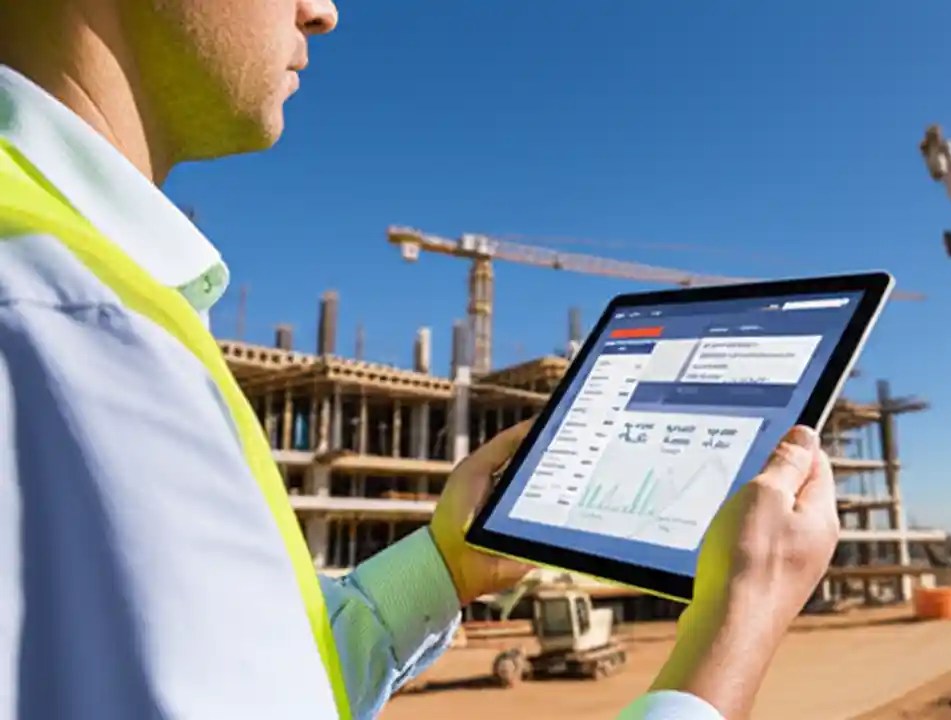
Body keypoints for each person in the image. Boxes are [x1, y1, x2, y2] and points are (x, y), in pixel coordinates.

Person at [0, 2, 840, 719]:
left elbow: (266, 687)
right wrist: (738, 626)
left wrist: (442, 568)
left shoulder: (82, 289)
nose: (324, 10)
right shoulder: (65, 320)